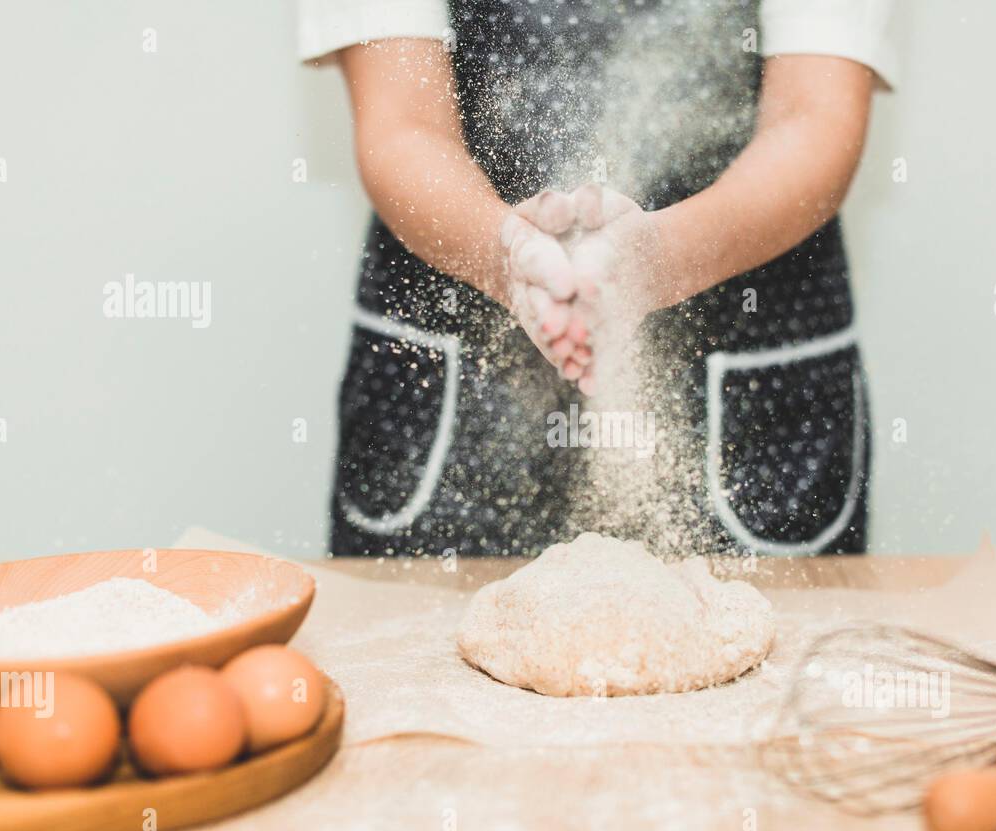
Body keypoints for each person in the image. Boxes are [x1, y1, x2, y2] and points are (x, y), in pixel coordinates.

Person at [299, 0, 896, 558]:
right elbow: (402, 124)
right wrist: (500, 253)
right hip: (450, 387)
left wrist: (664, 258)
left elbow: (813, 117)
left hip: (746, 380)